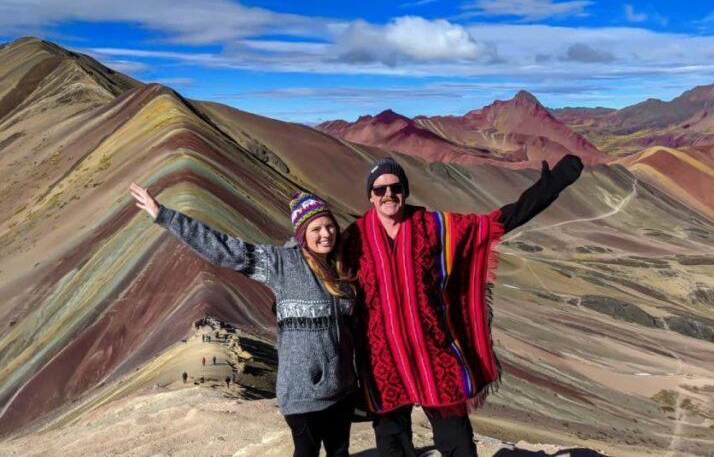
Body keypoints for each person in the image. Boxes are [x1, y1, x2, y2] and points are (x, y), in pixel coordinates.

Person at [343, 155, 583, 457]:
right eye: (380, 190)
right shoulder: (354, 238)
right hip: (382, 361)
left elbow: (492, 224)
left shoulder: (432, 227)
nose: (388, 195)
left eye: (396, 187)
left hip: (434, 354)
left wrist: (549, 187)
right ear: (370, 196)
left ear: (405, 190)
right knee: (392, 445)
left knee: (457, 442)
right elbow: (321, 263)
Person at [129, 184, 358, 457]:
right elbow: (226, 250)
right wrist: (165, 216)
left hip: (342, 390)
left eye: (329, 226)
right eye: (316, 229)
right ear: (302, 234)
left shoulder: (345, 269)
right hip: (302, 393)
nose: (325, 234)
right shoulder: (281, 264)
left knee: (340, 453)